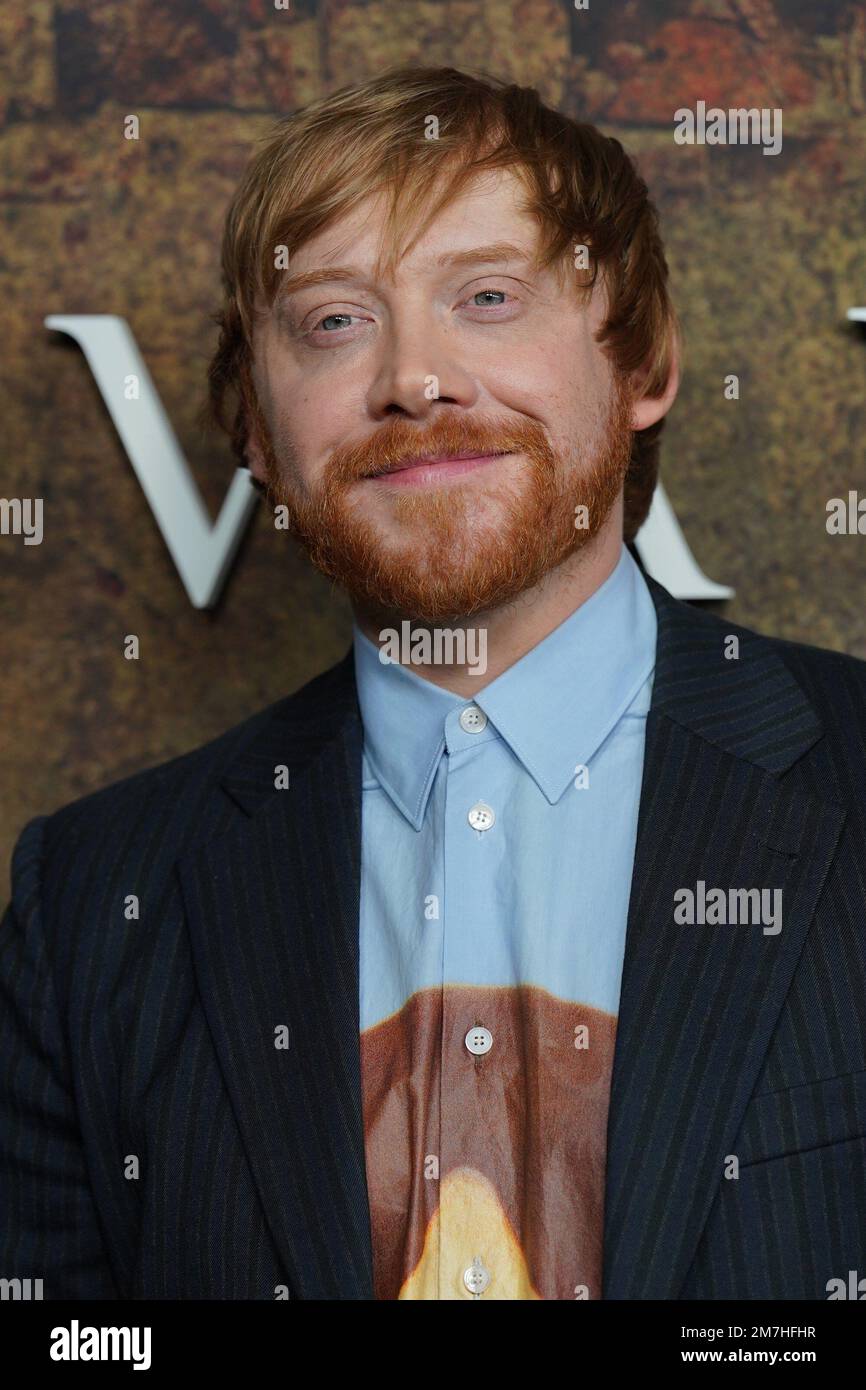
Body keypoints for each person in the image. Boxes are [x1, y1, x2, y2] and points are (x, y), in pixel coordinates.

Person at [2, 66, 865, 1302]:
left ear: (643, 360)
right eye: (333, 321)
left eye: (488, 295)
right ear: (254, 425)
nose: (416, 376)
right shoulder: (89, 902)